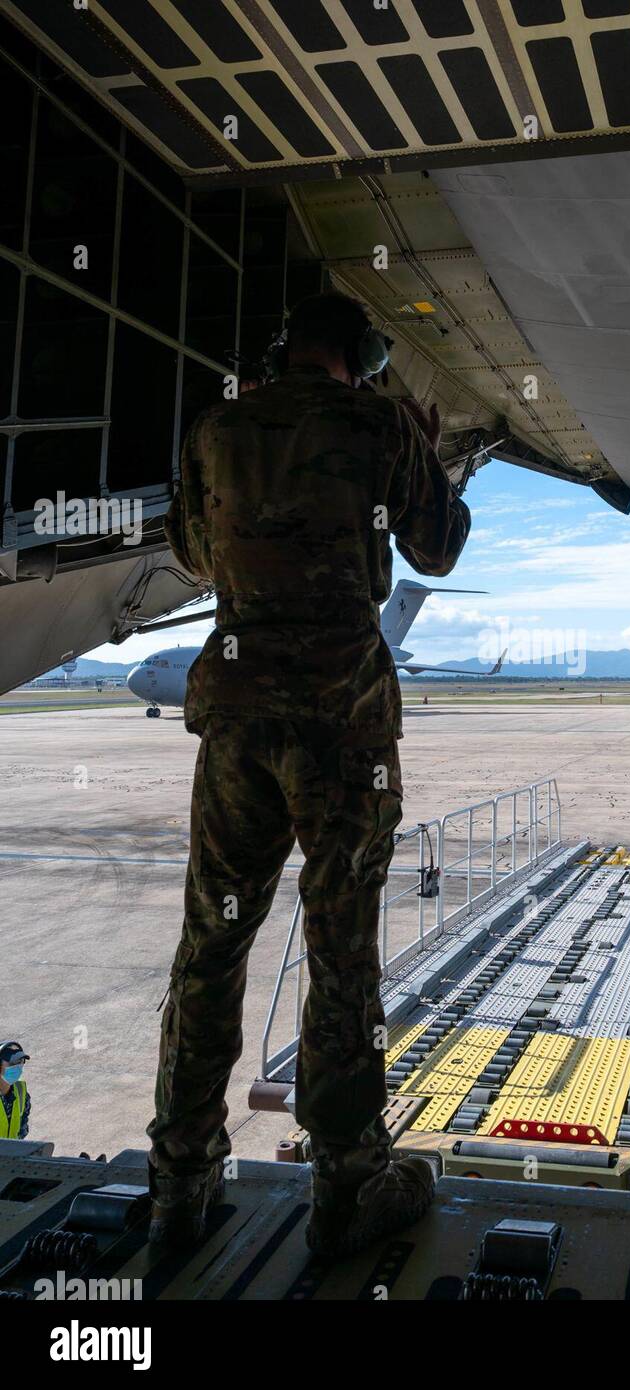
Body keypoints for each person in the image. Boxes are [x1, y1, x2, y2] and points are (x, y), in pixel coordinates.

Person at [148, 291, 470, 1259]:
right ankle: (347, 1181)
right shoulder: (378, 424)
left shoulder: (218, 430)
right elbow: (438, 547)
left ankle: (179, 1182)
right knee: (339, 952)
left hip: (238, 729)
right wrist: (420, 447)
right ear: (364, 359)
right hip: (342, 733)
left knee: (211, 943)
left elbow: (194, 553)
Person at [0, 1042, 31, 1140]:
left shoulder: (21, 1092)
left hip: (12, 1153)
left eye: (21, 1062)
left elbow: (22, 1131)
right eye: (13, 1063)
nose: (19, 1067)